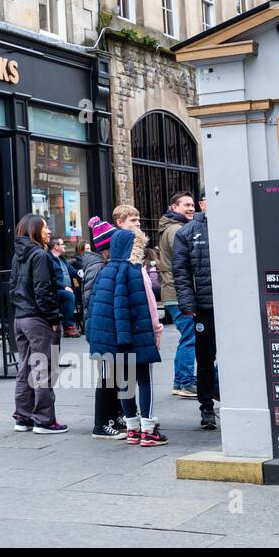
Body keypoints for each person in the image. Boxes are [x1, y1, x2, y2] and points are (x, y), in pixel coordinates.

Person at [87, 225, 167, 446]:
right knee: (145, 380)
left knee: (125, 382)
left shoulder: (105, 271)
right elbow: (149, 306)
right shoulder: (135, 271)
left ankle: (132, 427)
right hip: (136, 334)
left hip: (113, 340)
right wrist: (157, 330)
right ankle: (148, 429)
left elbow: (95, 308)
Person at [8, 214, 67, 434]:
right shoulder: (40, 255)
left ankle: (23, 418)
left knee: (24, 367)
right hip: (38, 319)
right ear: (34, 231)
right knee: (43, 368)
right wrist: (52, 318)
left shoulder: (18, 256)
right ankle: (44, 419)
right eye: (45, 228)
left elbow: (12, 287)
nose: (49, 231)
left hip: (21, 318)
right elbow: (43, 290)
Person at [173, 196, 217, 430]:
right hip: (204, 307)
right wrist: (188, 306)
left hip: (234, 306)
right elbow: (181, 273)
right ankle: (206, 407)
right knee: (206, 359)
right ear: (203, 203)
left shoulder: (237, 225)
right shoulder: (187, 233)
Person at [82, 216, 123, 439]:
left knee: (113, 378)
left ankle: (112, 416)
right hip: (101, 331)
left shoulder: (103, 265)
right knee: (107, 378)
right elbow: (92, 302)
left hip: (104, 331)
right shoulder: (98, 268)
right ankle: (101, 424)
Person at [157, 191, 197, 398]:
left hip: (175, 290)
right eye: (186, 205)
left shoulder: (176, 227)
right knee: (190, 337)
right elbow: (187, 257)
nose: (191, 208)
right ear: (174, 207)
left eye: (192, 205)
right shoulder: (176, 230)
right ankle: (186, 382)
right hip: (177, 291)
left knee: (188, 336)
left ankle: (181, 380)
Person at [50, 236, 79, 338]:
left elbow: (73, 271)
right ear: (56, 247)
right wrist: (63, 287)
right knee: (69, 295)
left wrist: (81, 273)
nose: (64, 246)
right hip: (55, 290)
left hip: (67, 289)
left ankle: (79, 323)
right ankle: (68, 327)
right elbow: (50, 278)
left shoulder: (62, 259)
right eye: (62, 244)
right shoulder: (49, 259)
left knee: (77, 292)